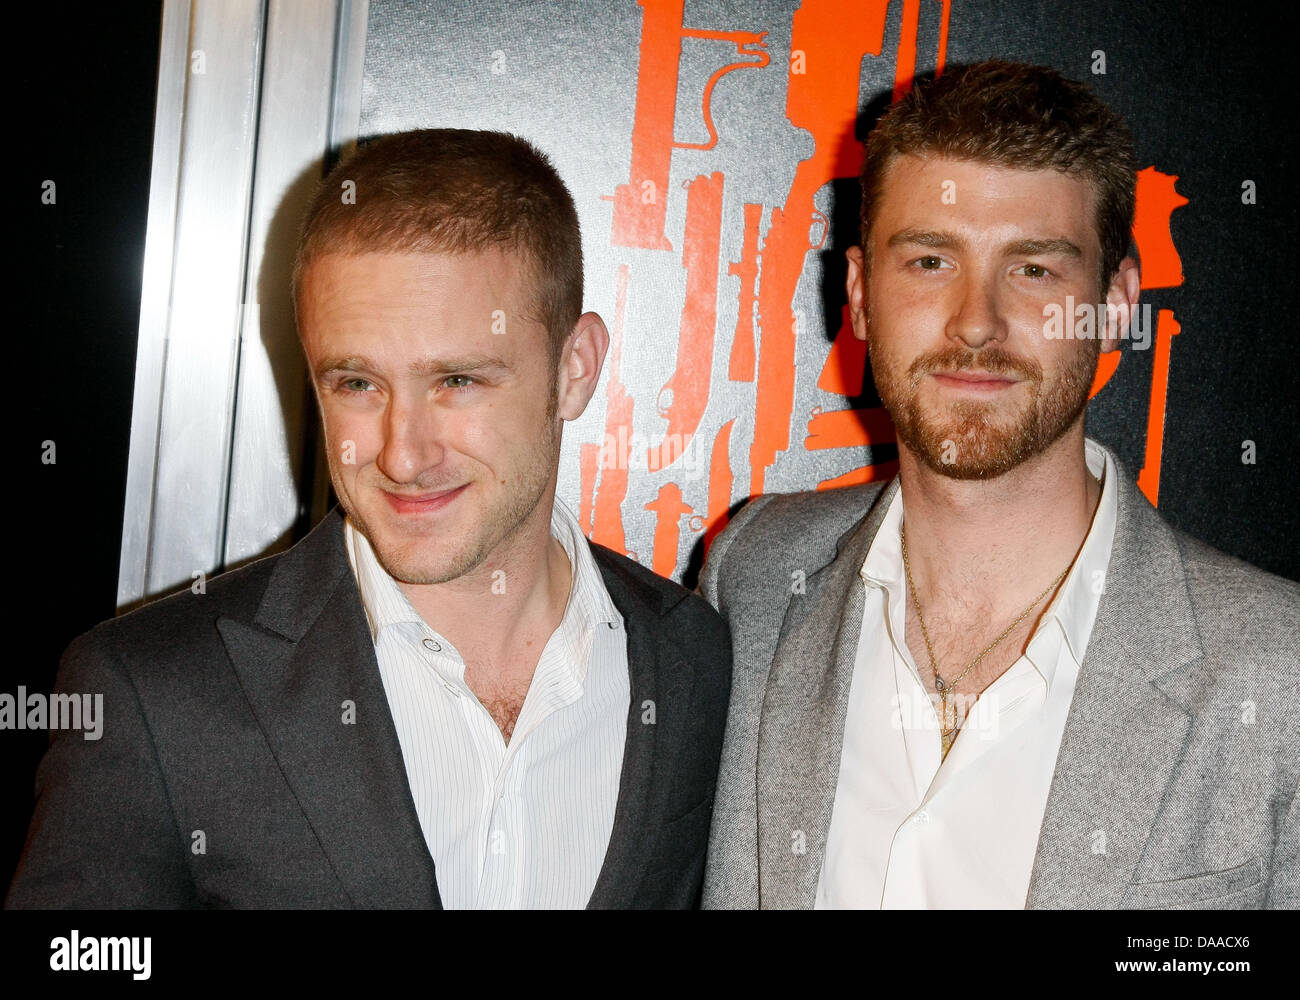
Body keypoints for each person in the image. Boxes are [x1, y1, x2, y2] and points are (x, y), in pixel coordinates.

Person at [8, 129, 731, 909]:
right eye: (356, 383)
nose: (403, 455)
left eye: (456, 380)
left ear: (575, 369)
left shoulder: (697, 661)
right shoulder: (154, 694)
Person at [699, 61, 1298, 909]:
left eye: (1035, 270)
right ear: (861, 295)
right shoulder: (757, 577)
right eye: (931, 261)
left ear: (1116, 303)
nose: (976, 322)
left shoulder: (1277, 673)